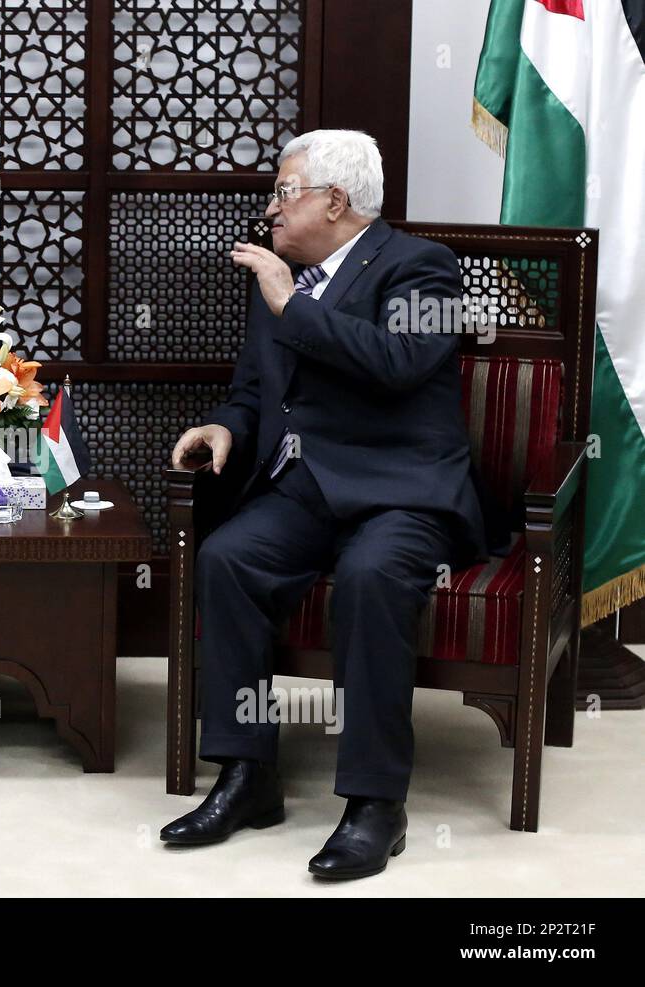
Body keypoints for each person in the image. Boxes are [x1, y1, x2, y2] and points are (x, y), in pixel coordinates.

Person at [163, 129, 485, 880]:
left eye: (284, 191)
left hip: (403, 491)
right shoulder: (284, 276)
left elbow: (401, 363)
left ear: (335, 200)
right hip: (307, 486)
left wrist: (289, 300)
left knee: (373, 577)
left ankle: (376, 803)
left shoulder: (426, 268)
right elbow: (256, 392)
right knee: (228, 558)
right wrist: (225, 425)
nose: (270, 208)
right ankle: (249, 775)